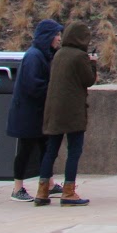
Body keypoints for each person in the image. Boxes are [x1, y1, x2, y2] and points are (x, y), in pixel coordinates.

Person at [33, 22, 96, 207]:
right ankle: (68, 192)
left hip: (54, 111)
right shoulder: (79, 56)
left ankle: (42, 191)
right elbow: (89, 80)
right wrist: (93, 63)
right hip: (73, 113)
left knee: (51, 150)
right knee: (74, 151)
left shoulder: (58, 54)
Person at [6, 18, 64, 202]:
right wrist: (53, 89)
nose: (59, 38)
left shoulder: (44, 54)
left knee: (45, 148)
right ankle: (17, 188)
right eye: (56, 35)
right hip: (28, 114)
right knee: (25, 150)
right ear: (47, 36)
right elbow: (33, 86)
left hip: (37, 113)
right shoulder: (34, 56)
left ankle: (49, 182)